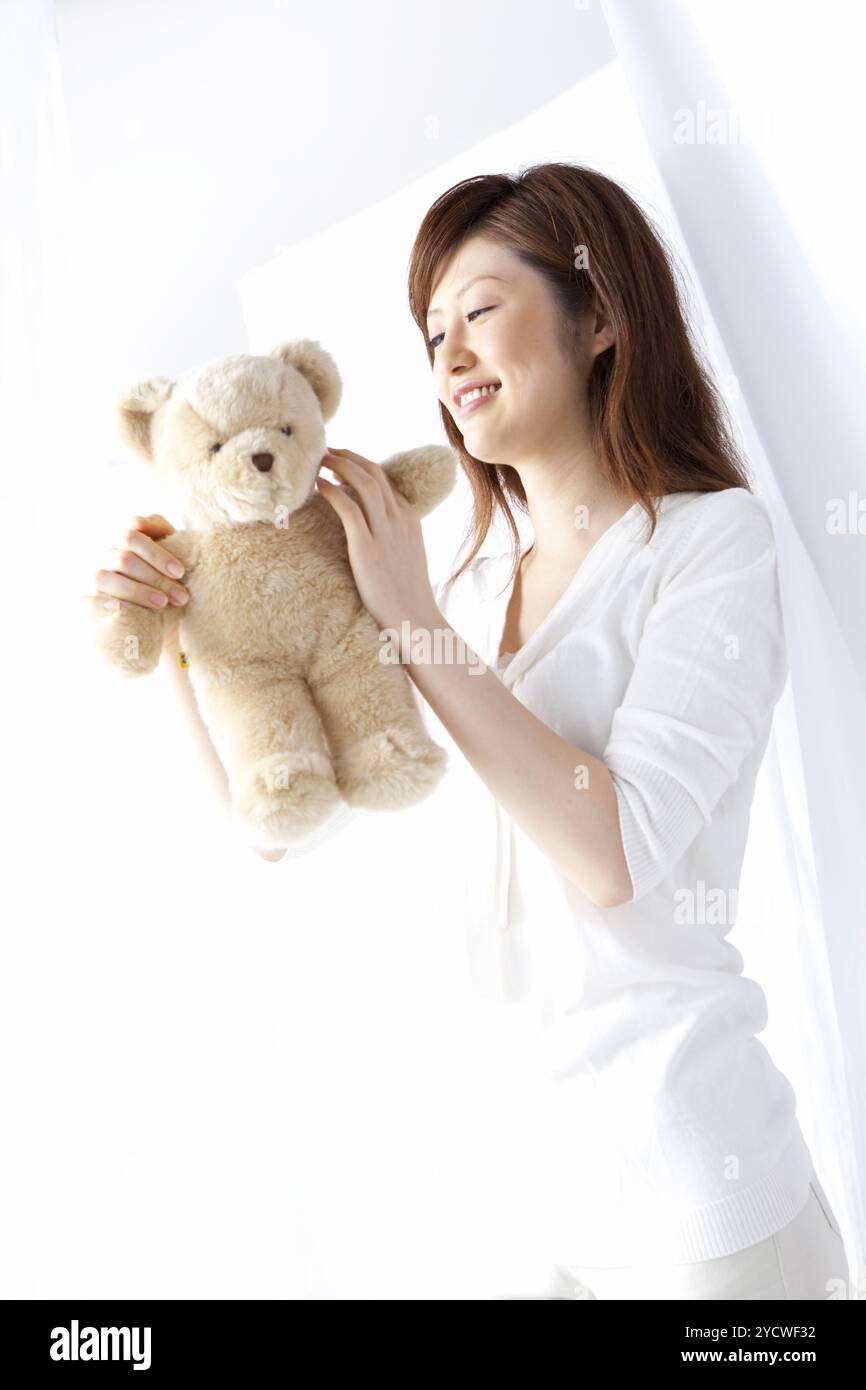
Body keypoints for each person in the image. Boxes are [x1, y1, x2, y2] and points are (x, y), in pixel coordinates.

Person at [85, 161, 851, 1300]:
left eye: (478, 310)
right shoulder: (464, 572)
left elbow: (614, 849)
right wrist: (179, 642)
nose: (444, 357)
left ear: (598, 315)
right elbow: (284, 829)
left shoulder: (704, 544)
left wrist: (412, 620)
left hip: (700, 1208)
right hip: (531, 1203)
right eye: (428, 328)